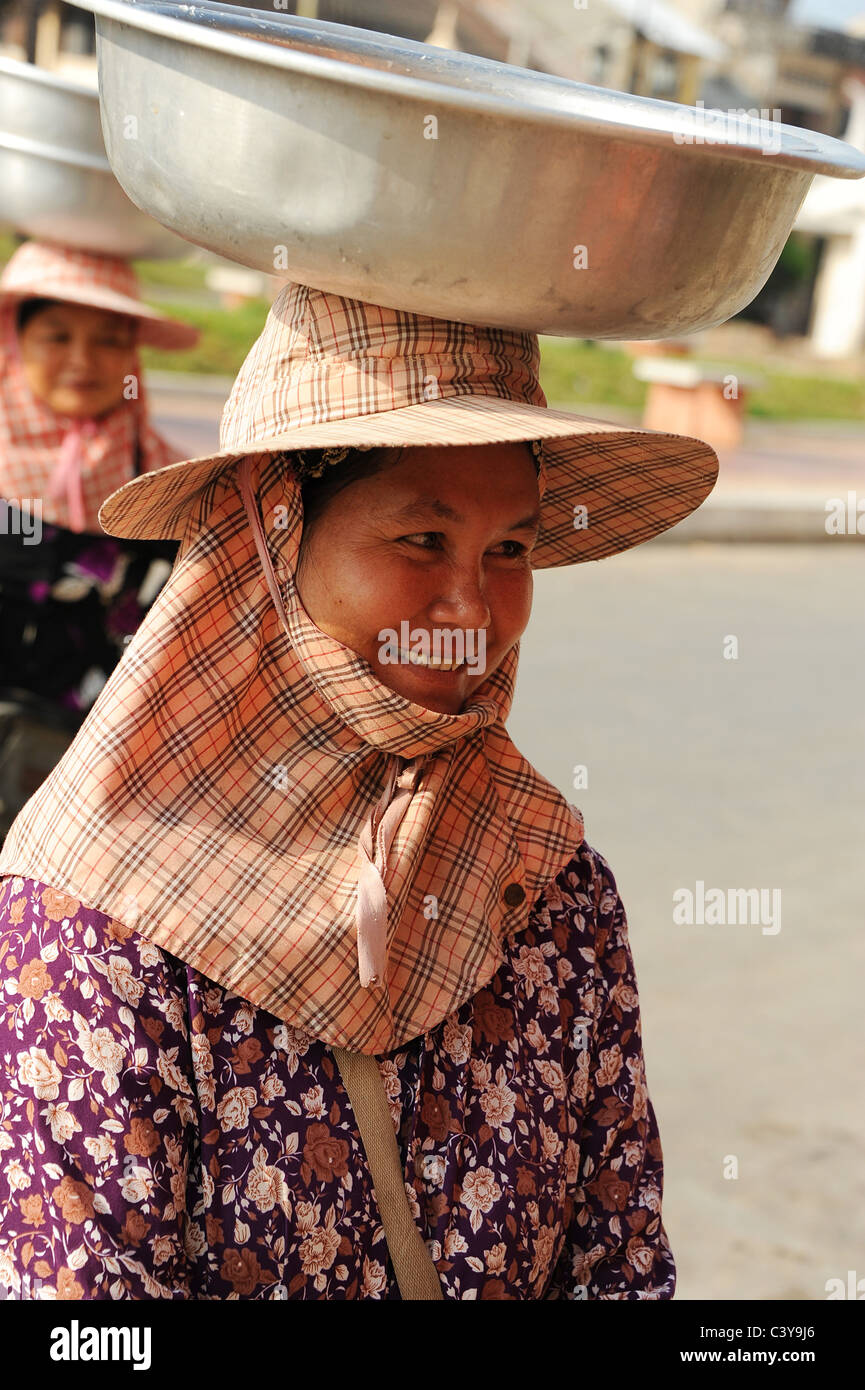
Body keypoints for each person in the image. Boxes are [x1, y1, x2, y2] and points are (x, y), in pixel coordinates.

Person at [0, 281, 718, 1300]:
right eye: (420, 540)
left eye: (507, 548)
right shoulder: (97, 918)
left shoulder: (554, 890)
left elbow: (622, 1261)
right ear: (276, 539)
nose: (473, 605)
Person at [0, 240, 198, 832]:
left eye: (110, 339)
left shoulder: (173, 489)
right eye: (57, 336)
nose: (83, 359)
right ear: (14, 344)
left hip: (97, 785)